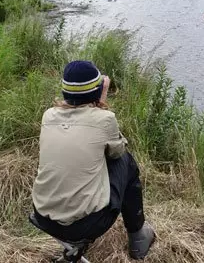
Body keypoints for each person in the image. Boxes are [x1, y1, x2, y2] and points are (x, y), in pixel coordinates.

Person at [32, 61, 155, 259]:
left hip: (42, 215)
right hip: (86, 225)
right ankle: (138, 237)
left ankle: (74, 242)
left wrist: (95, 97)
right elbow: (116, 152)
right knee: (126, 162)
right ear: (97, 92)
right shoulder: (104, 119)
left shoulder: (48, 116)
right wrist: (101, 101)